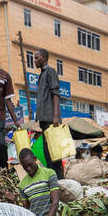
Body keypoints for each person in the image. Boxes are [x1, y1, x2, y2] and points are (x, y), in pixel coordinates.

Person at [32, 48, 63, 178]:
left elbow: (55, 93)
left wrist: (55, 116)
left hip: (51, 120)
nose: (34, 60)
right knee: (47, 152)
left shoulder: (50, 71)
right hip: (45, 120)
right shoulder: (41, 75)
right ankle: (54, 179)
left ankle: (60, 179)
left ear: (44, 58)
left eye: (36, 57)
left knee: (54, 153)